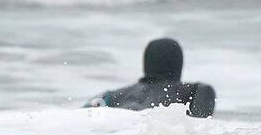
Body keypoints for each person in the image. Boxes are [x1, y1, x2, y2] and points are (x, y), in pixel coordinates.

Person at [85, 38, 216, 118]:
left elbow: (77, 122)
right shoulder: (197, 90)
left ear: (146, 62)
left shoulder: (110, 96)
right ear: (178, 64)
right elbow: (199, 127)